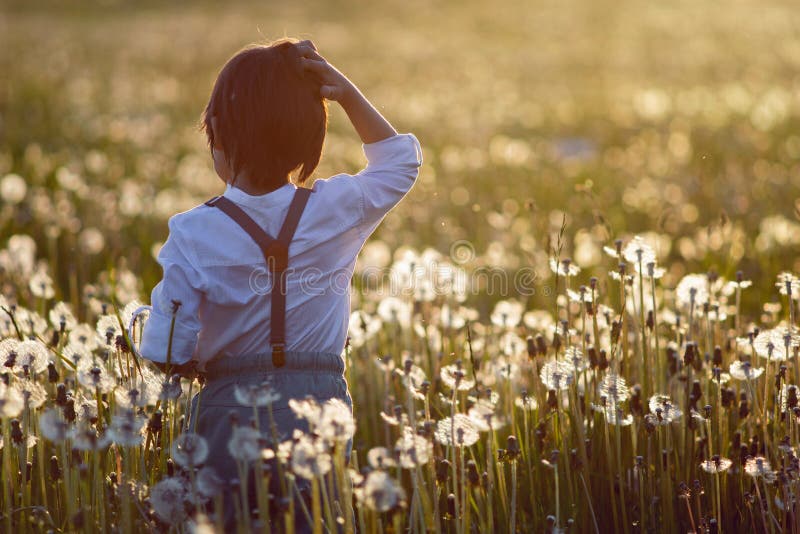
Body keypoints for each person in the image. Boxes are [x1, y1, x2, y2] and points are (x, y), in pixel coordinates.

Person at [134, 38, 423, 530]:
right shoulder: (337, 208)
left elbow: (167, 350)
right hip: (319, 406)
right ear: (313, 139)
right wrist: (347, 93)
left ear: (218, 134)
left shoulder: (193, 231)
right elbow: (400, 162)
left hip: (226, 409)